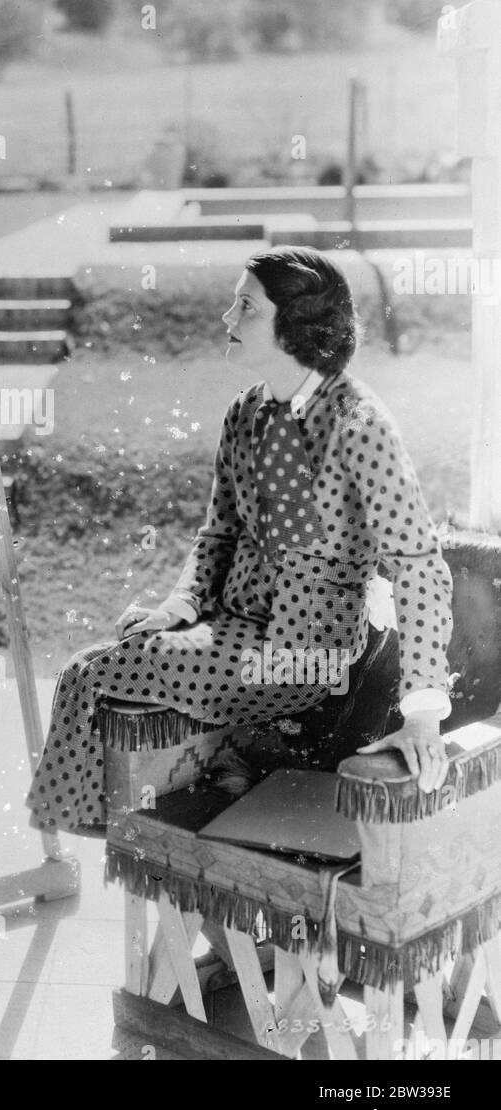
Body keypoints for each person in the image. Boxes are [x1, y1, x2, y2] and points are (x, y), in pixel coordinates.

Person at [26, 247, 454, 837]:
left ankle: (107, 838)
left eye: (246, 306)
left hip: (306, 654)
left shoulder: (362, 426)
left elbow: (419, 565)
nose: (228, 318)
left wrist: (424, 714)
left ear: (294, 326)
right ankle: (125, 838)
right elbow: (218, 533)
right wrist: (179, 606)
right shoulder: (244, 413)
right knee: (113, 655)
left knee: (88, 672)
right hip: (230, 626)